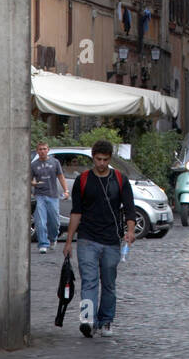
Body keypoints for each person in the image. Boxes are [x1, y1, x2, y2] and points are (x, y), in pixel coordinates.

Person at [63, 139, 136, 338]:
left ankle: (106, 321)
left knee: (109, 283)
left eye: (105, 160)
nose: (101, 163)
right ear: (93, 158)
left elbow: (129, 209)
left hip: (112, 240)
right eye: (98, 159)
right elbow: (76, 212)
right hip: (87, 238)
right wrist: (69, 241)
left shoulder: (120, 180)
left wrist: (130, 231)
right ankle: (87, 320)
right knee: (89, 281)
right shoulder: (83, 180)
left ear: (109, 159)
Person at [31, 141, 70, 255]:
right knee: (41, 221)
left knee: (55, 222)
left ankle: (53, 238)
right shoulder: (34, 165)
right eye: (40, 149)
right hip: (39, 196)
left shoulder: (55, 162)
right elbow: (29, 179)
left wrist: (66, 191)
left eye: (44, 149)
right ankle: (43, 244)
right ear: (37, 151)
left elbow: (61, 177)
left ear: (48, 150)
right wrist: (34, 183)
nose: (42, 151)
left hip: (53, 195)